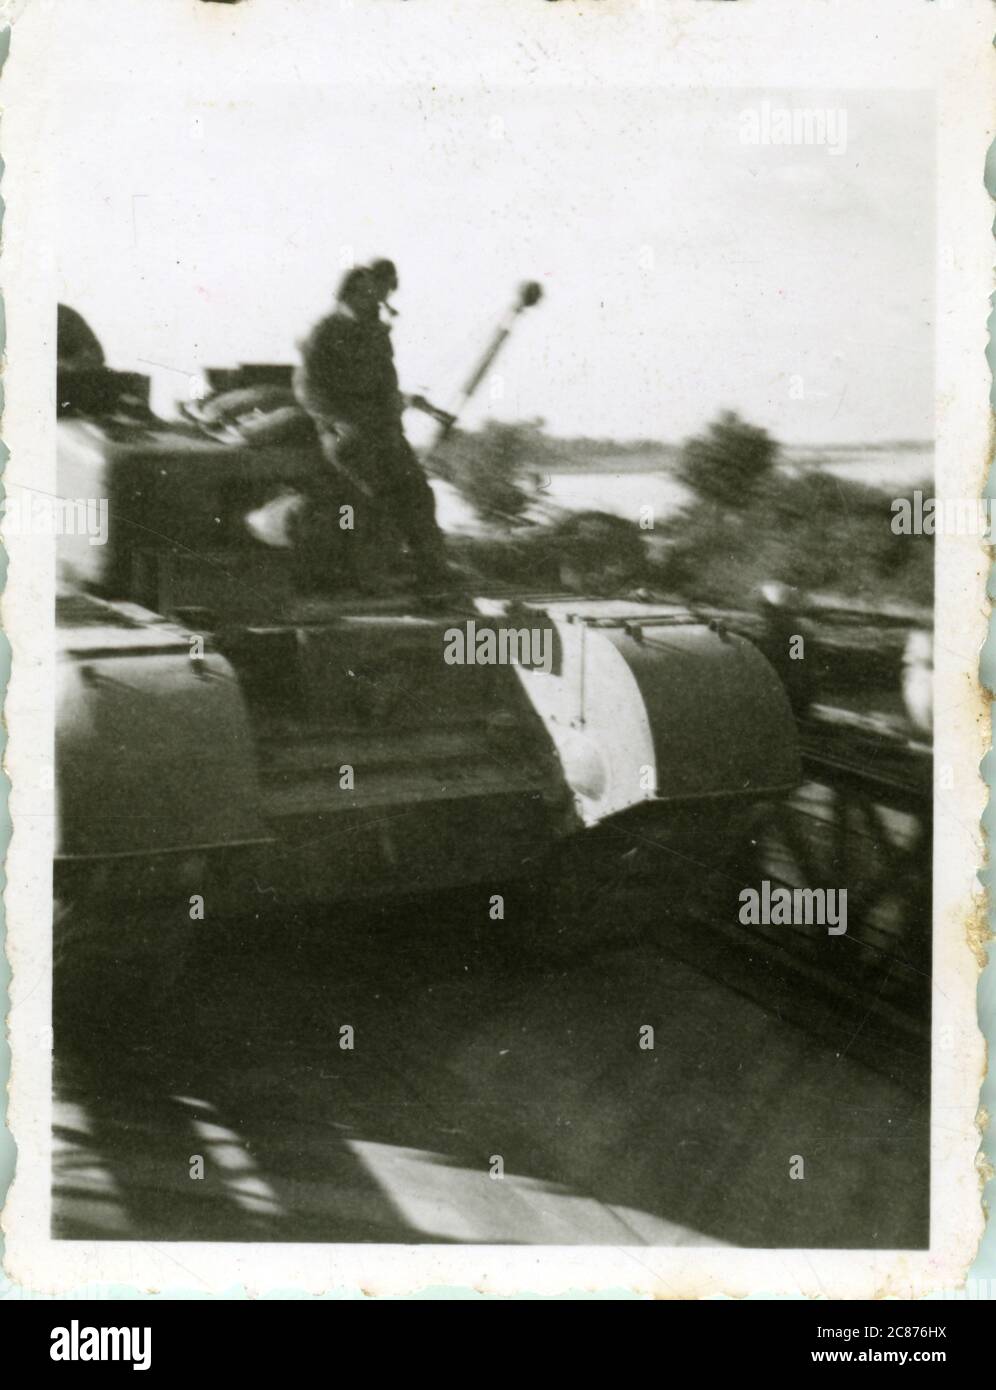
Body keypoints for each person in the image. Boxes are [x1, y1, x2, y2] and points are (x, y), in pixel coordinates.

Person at [293, 262, 448, 595]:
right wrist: (338, 421)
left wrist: (404, 400)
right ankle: (369, 577)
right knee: (371, 499)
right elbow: (306, 389)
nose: (376, 299)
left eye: (379, 293)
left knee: (418, 493)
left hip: (383, 431)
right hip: (345, 434)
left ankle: (433, 571)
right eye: (368, 293)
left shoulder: (375, 334)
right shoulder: (323, 332)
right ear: (348, 293)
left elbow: (385, 385)